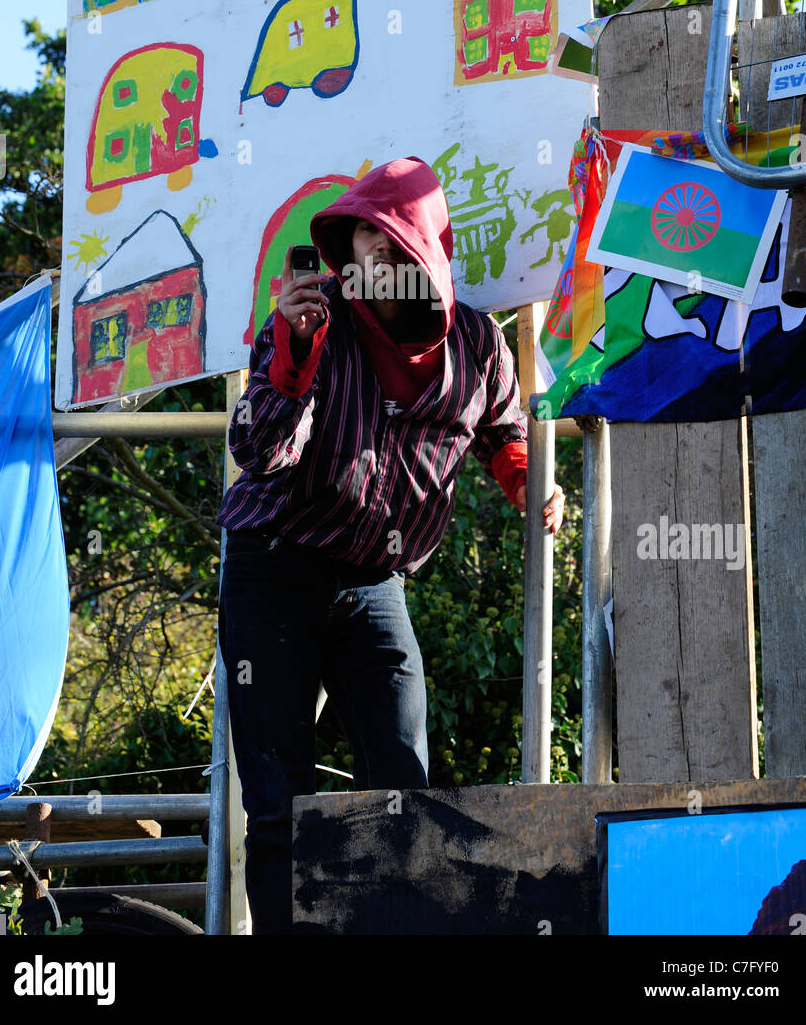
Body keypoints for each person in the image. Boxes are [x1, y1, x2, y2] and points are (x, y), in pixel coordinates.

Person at [216, 156, 564, 934]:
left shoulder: (476, 342)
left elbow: (504, 430)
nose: (365, 266)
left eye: (385, 249)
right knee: (280, 800)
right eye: (356, 252)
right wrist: (292, 357)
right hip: (274, 566)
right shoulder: (309, 325)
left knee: (404, 789)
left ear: (423, 253)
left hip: (376, 582)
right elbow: (260, 452)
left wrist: (524, 482)